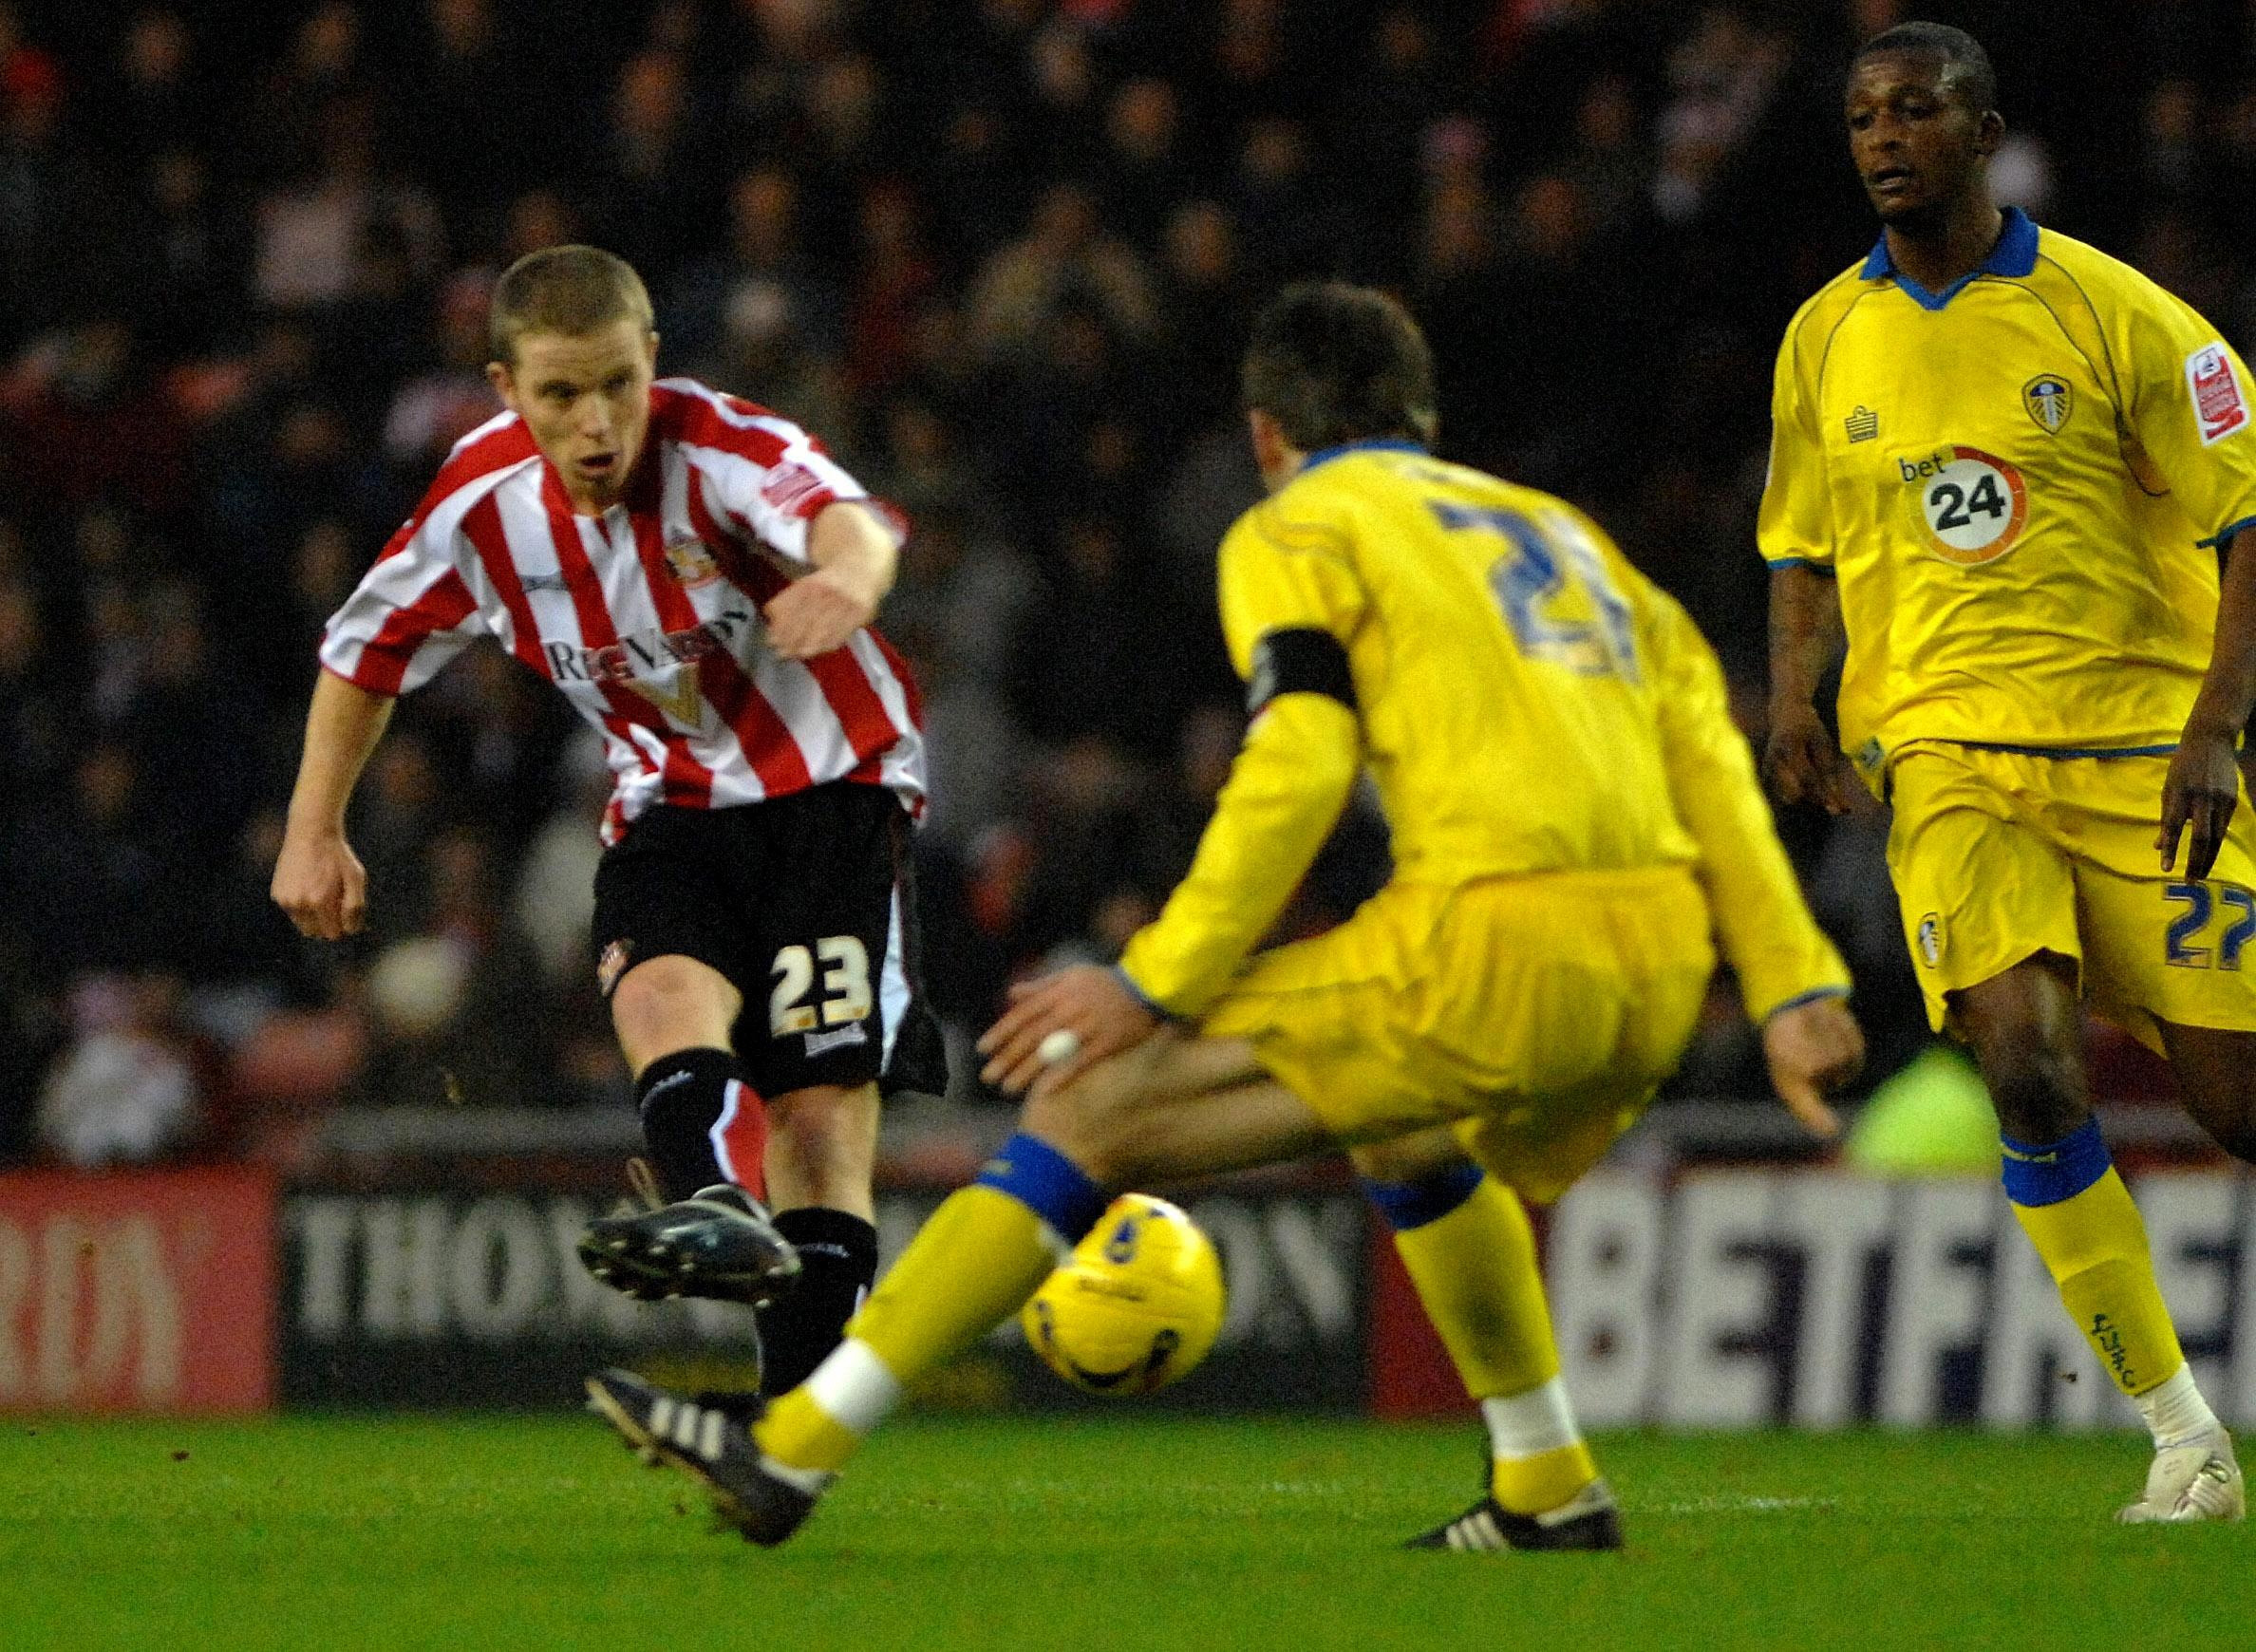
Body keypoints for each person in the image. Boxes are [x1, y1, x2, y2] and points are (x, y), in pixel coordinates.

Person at [588, 281, 1865, 1550]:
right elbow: (1710, 757)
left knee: (1089, 1105)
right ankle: (1546, 1483)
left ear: (1265, 435)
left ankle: (789, 1449)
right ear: (1418, 417)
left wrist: (1155, 982)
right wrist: (1796, 988)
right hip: (1655, 960)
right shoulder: (1569, 539)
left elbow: (1301, 757)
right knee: (1406, 1136)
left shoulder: (1299, 525)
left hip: (1493, 938)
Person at [272, 244, 947, 1399]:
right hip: (672, 798)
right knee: (653, 989)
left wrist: (848, 582)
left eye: (617, 385)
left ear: (653, 364)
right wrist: (312, 828)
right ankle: (716, 1203)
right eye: (560, 394)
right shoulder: (478, 508)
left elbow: (852, 522)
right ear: (504, 388)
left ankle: (791, 1427)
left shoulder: (722, 448)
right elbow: (364, 651)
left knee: (819, 1122)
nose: (597, 424)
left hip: (834, 793)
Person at [1762, 23, 2256, 1523]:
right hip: (1951, 764)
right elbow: (1800, 537)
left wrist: (2218, 727)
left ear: (1985, 133)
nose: (1883, 138)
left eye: (1916, 111)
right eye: (1863, 117)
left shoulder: (2120, 315)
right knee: (2027, 1073)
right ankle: (2186, 1440)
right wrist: (1796, 685)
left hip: (2141, 758)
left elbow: (2248, 519)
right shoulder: (1822, 334)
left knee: (2239, 1104)